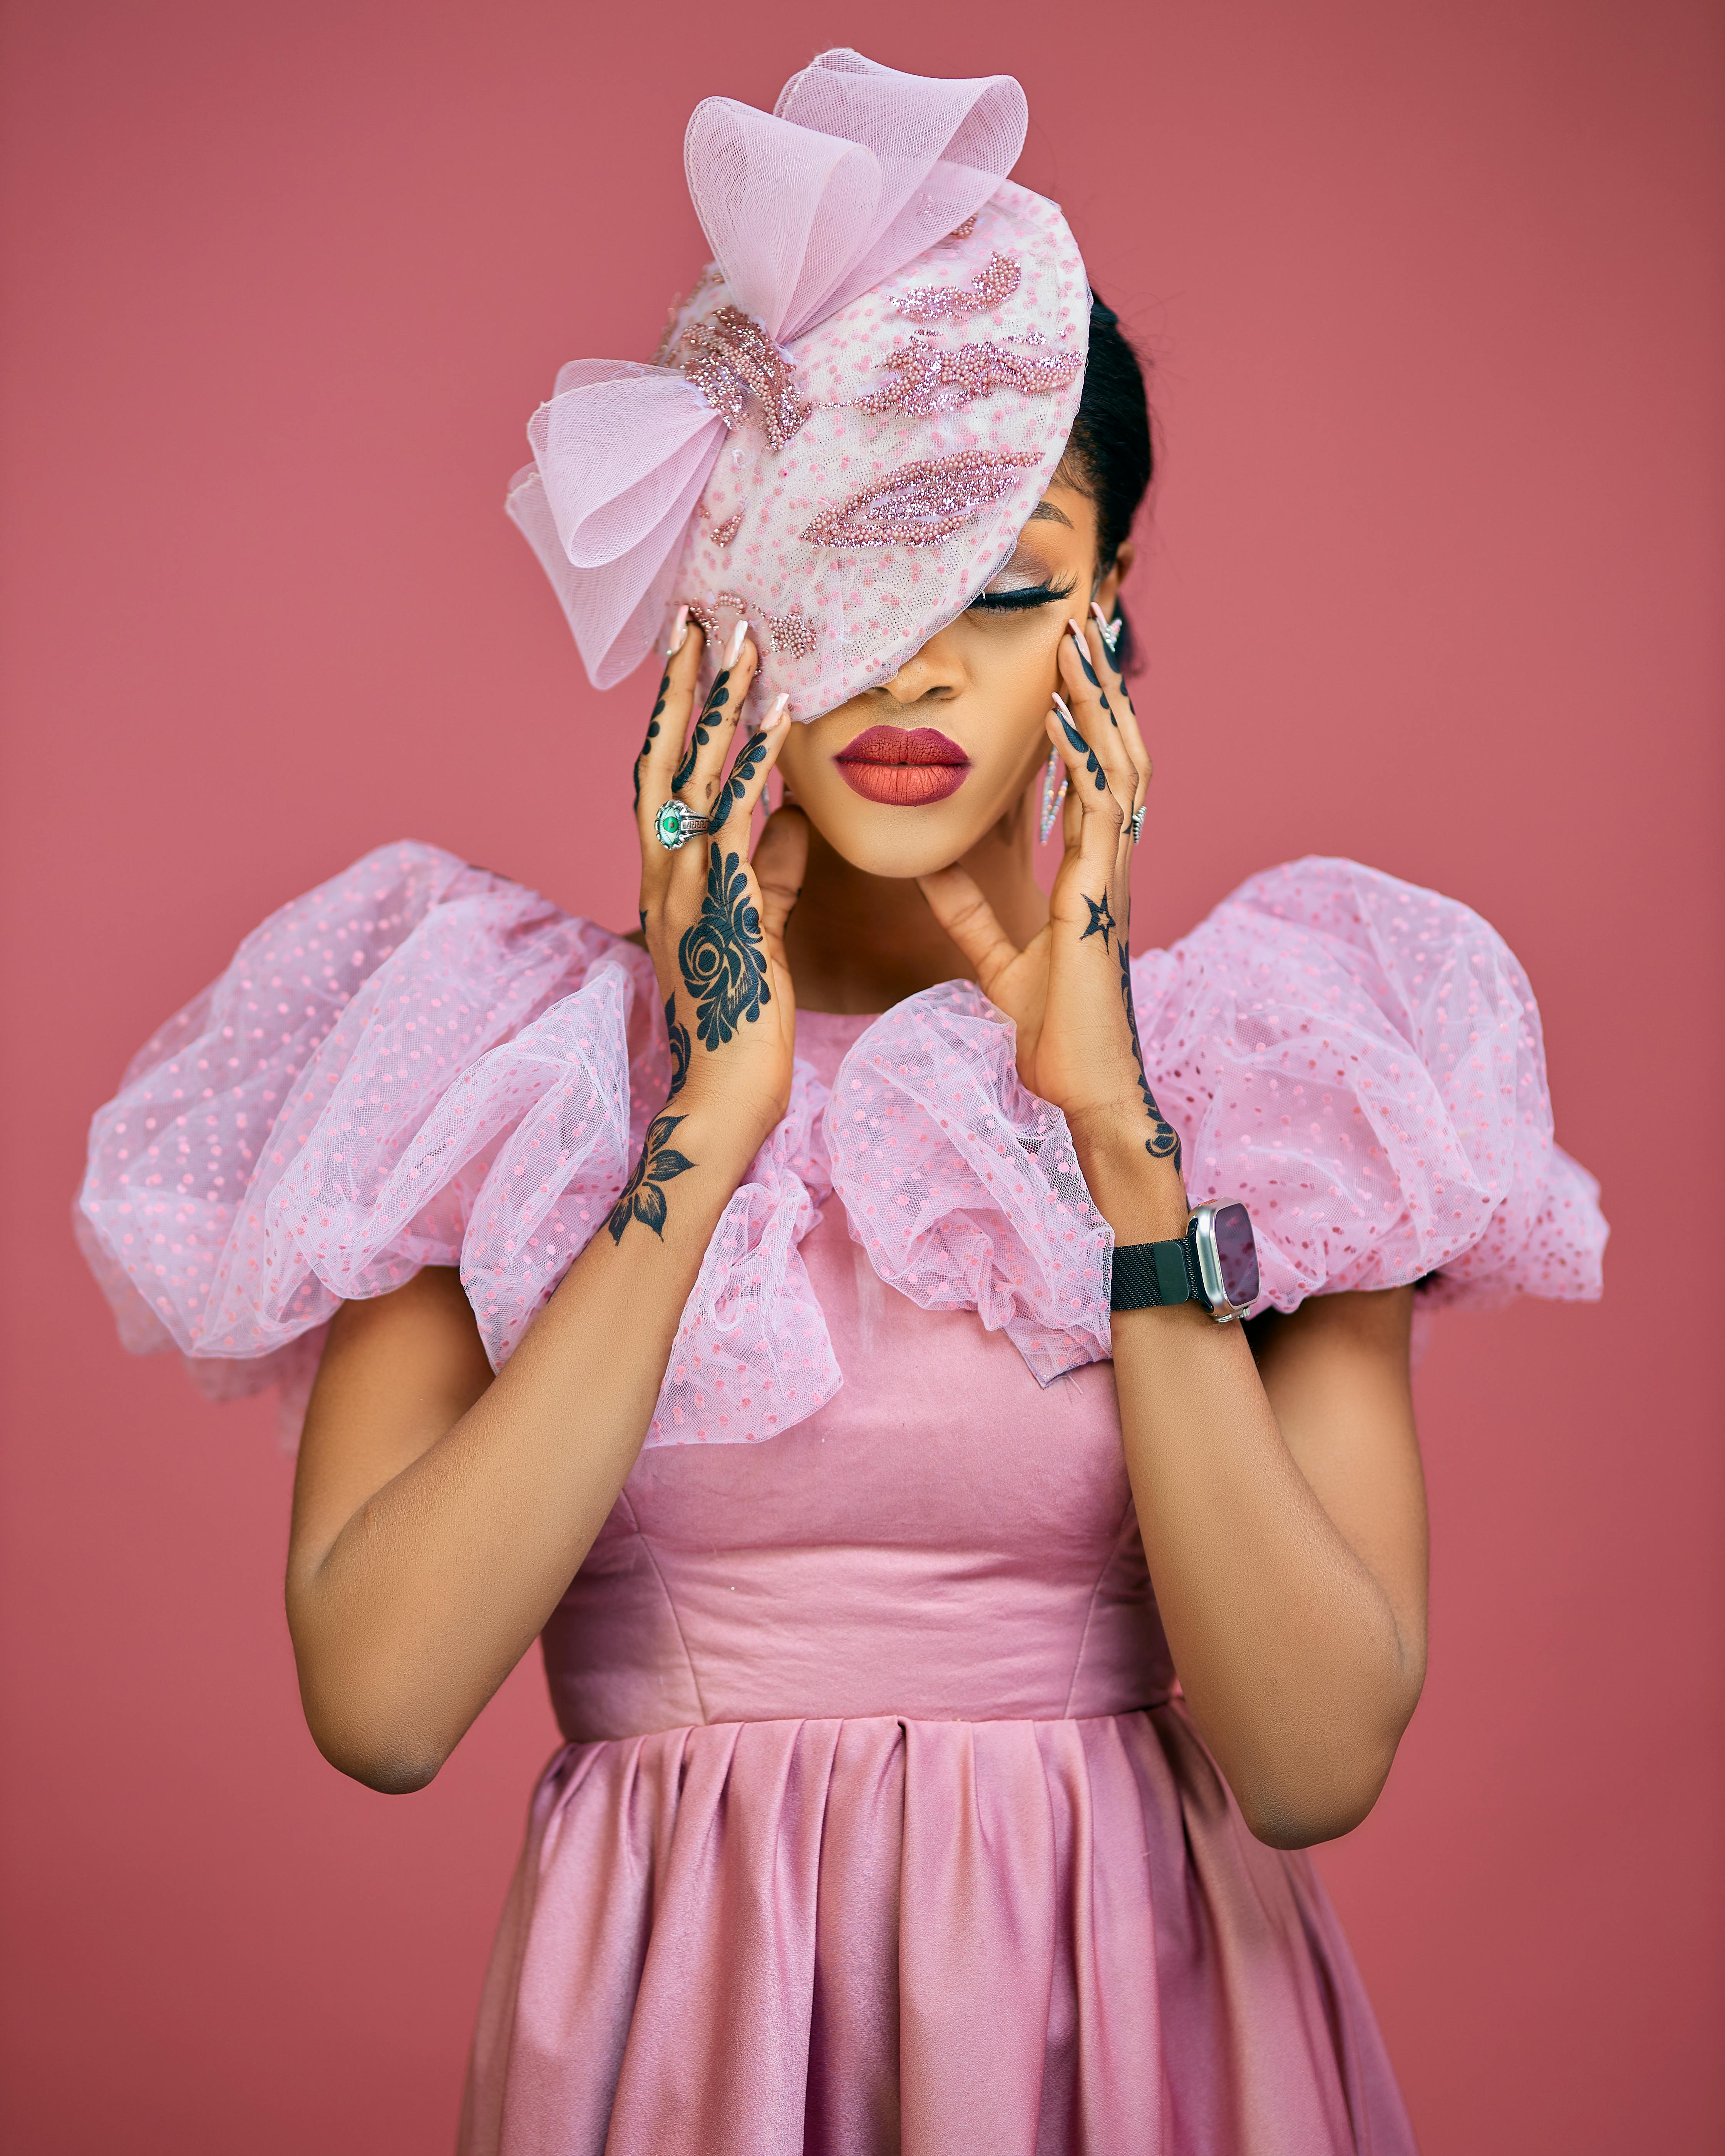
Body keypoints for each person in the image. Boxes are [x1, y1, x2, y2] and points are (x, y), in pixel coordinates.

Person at [76, 50, 1606, 2156]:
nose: (909, 666)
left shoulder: (1272, 1075)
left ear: (1109, 608)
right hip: (689, 2062)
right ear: (719, 581)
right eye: (845, 566)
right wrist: (703, 1130)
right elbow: (386, 1700)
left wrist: (1121, 1150)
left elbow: (1316, 1757)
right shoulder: (510, 1073)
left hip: (1147, 2057)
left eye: (1002, 581)